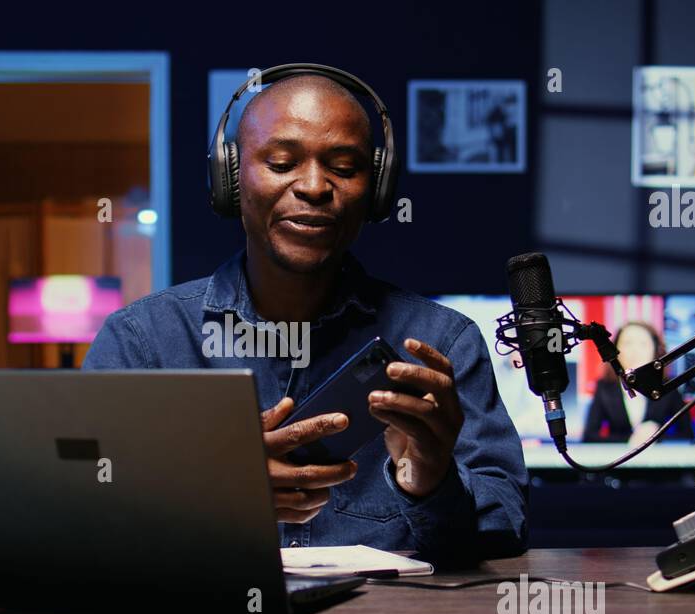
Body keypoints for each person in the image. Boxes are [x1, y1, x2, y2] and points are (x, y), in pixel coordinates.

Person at [83, 69, 528, 563]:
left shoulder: (442, 342)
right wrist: (207, 496)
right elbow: (80, 523)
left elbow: (505, 528)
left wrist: (430, 480)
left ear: (377, 190)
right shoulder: (142, 343)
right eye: (280, 162)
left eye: (344, 166)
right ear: (229, 180)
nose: (315, 186)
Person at [582, 321, 692, 445]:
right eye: (627, 343)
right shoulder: (604, 387)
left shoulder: (667, 386)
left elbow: (688, 434)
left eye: (643, 344)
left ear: (655, 350)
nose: (635, 351)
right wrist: (629, 441)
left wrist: (656, 439)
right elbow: (589, 436)